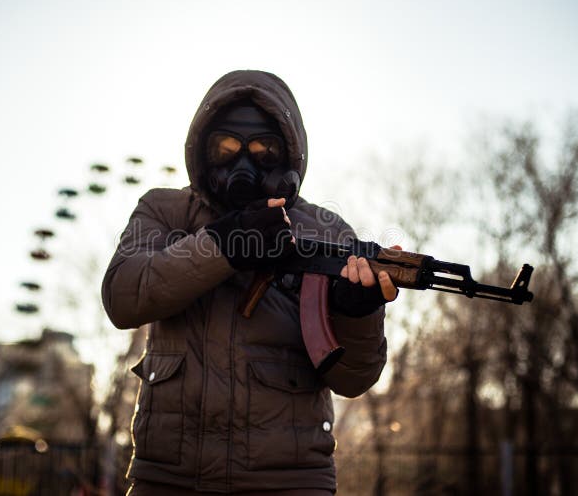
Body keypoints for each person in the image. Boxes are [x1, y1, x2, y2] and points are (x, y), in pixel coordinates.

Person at [102, 70, 398, 495]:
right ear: (202, 152)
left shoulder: (326, 232)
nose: (242, 163)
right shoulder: (164, 212)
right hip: (167, 480)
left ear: (288, 157)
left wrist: (358, 313)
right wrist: (224, 245)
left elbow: (354, 380)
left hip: (289, 483)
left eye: (264, 150)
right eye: (224, 148)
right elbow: (122, 297)